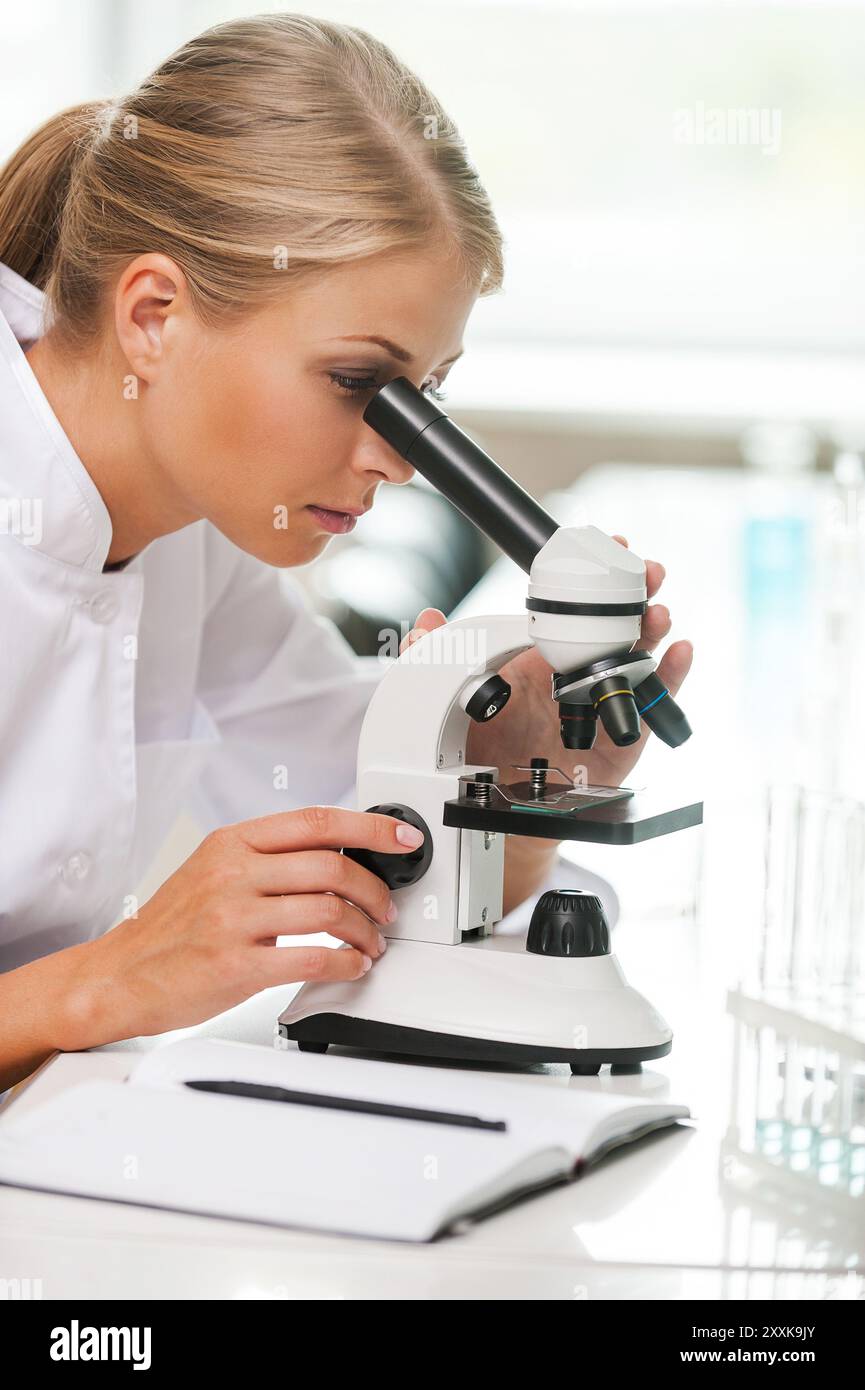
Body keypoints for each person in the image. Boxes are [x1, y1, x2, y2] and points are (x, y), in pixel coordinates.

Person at [0, 14, 691, 1093]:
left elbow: (382, 869)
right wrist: (107, 979)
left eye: (426, 398)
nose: (403, 460)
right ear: (153, 315)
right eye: (357, 383)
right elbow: (114, 981)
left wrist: (516, 779)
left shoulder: (193, 534)